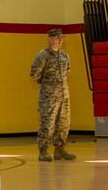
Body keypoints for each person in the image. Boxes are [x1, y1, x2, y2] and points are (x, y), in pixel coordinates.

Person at [31, 28, 75, 162]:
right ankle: (43, 151)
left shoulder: (64, 56)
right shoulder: (43, 55)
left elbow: (67, 72)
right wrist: (48, 86)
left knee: (64, 123)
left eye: (61, 38)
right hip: (49, 97)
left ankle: (59, 149)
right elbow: (34, 74)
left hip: (63, 96)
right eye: (57, 38)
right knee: (47, 124)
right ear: (50, 39)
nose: (61, 40)